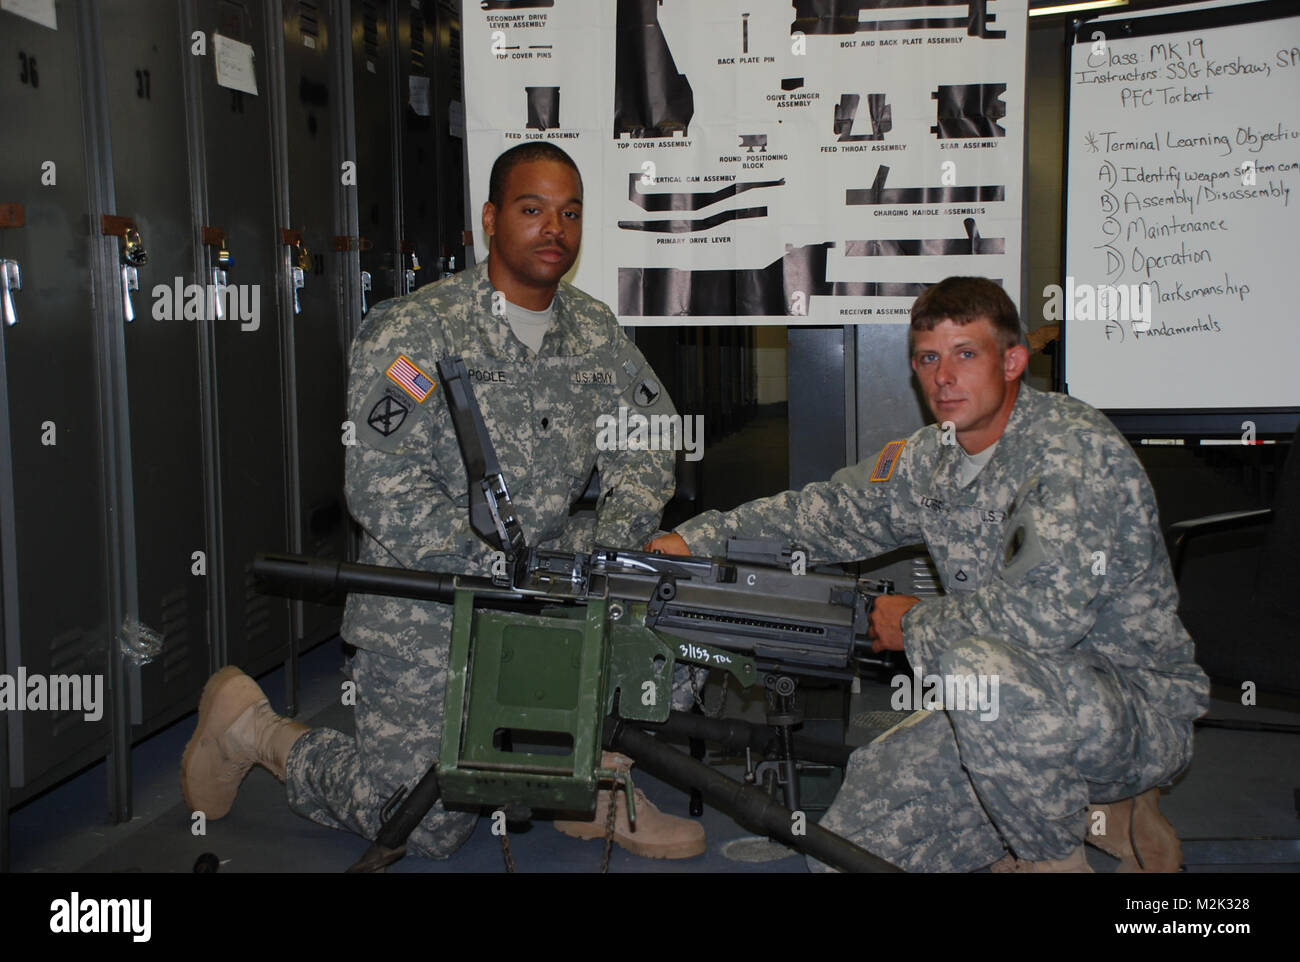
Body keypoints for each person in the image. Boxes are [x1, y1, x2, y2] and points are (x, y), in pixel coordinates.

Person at [182, 142, 705, 861]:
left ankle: (584, 780)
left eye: (570, 213)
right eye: (532, 210)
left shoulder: (593, 331)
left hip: (548, 583)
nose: (554, 228)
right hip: (431, 604)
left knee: (680, 606)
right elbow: (381, 485)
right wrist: (495, 577)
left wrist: (612, 544)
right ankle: (254, 730)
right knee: (423, 821)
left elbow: (651, 435)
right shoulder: (416, 332)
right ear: (491, 219)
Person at [649, 276, 1207, 872]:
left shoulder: (1073, 455)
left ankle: (1054, 857)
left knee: (975, 671)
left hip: (1129, 708)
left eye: (966, 354)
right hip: (1004, 708)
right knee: (844, 855)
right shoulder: (933, 456)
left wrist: (912, 623)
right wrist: (695, 539)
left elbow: (1041, 623)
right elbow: (829, 515)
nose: (944, 377)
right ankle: (1107, 818)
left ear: (1014, 360)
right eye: (928, 358)